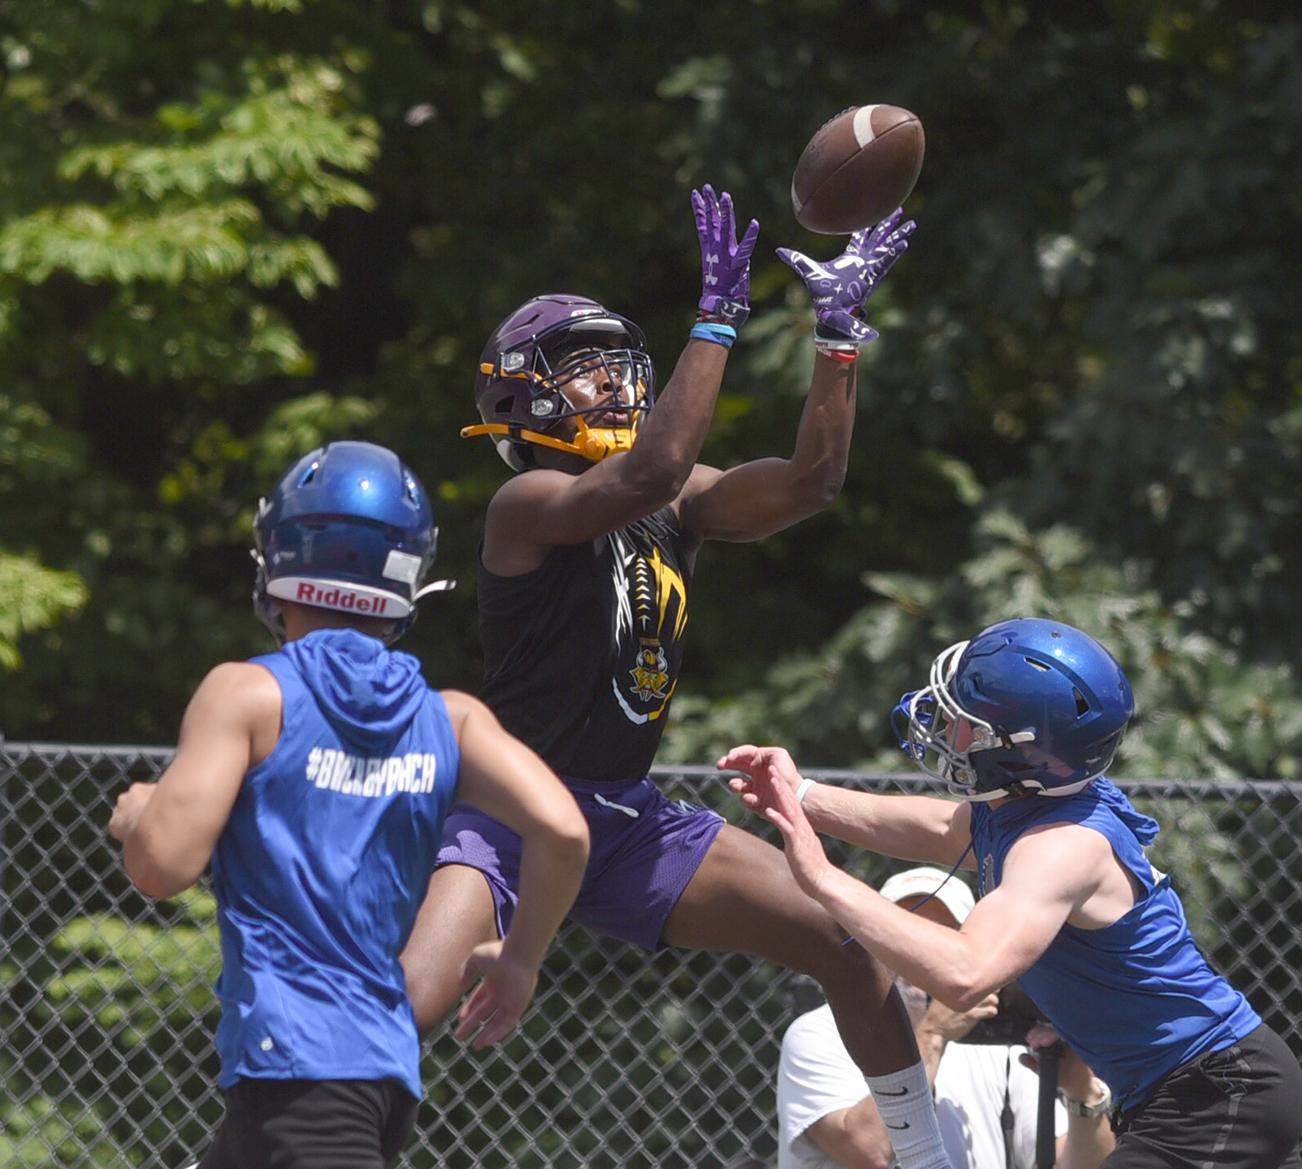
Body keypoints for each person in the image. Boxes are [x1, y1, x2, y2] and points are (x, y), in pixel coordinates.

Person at [399, 185, 953, 1167]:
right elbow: (649, 474)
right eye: (585, 372)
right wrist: (718, 322)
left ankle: (928, 1155)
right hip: (512, 815)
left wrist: (837, 339)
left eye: (624, 366)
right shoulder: (528, 501)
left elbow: (809, 484)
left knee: (844, 935)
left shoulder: (678, 500)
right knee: (407, 1007)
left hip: (625, 815)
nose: (614, 383)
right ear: (519, 397)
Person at [107, 440, 590, 1169]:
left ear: (278, 557)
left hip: (297, 1068)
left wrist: (141, 811)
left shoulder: (249, 694)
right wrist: (521, 960)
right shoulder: (450, 719)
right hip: (372, 1068)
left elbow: (160, 867)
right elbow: (562, 830)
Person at [723, 616, 1302, 1169]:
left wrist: (823, 880)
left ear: (1017, 750)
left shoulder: (1060, 848)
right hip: (1210, 1088)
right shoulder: (1028, 808)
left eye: (966, 722)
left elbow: (967, 971)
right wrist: (802, 795)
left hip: (1218, 1091)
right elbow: (927, 827)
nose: (947, 728)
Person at [778, 865, 1116, 1169]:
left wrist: (1082, 1095)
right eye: (905, 933)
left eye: (941, 938)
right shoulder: (819, 1033)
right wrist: (932, 1036)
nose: (921, 955)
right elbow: (868, 1151)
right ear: (871, 944)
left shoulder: (993, 1040)